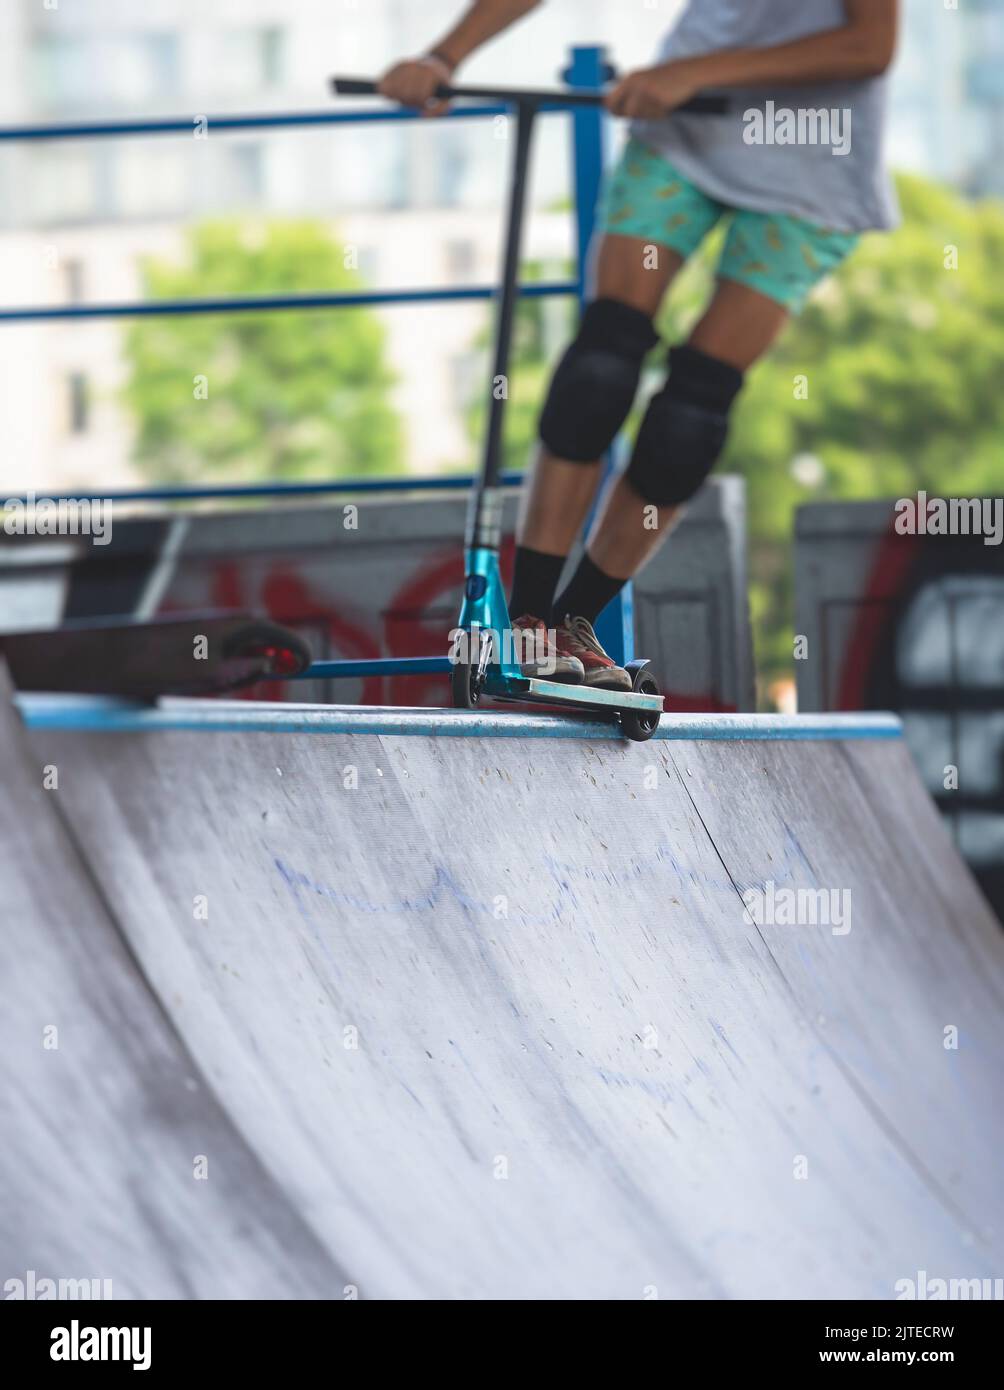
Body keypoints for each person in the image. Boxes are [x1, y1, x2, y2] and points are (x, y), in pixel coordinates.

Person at [380, 0, 899, 688]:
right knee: (601, 363)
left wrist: (696, 71)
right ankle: (529, 626)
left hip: (813, 167)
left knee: (692, 411)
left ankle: (577, 624)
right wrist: (444, 57)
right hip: (685, 134)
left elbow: (870, 44)